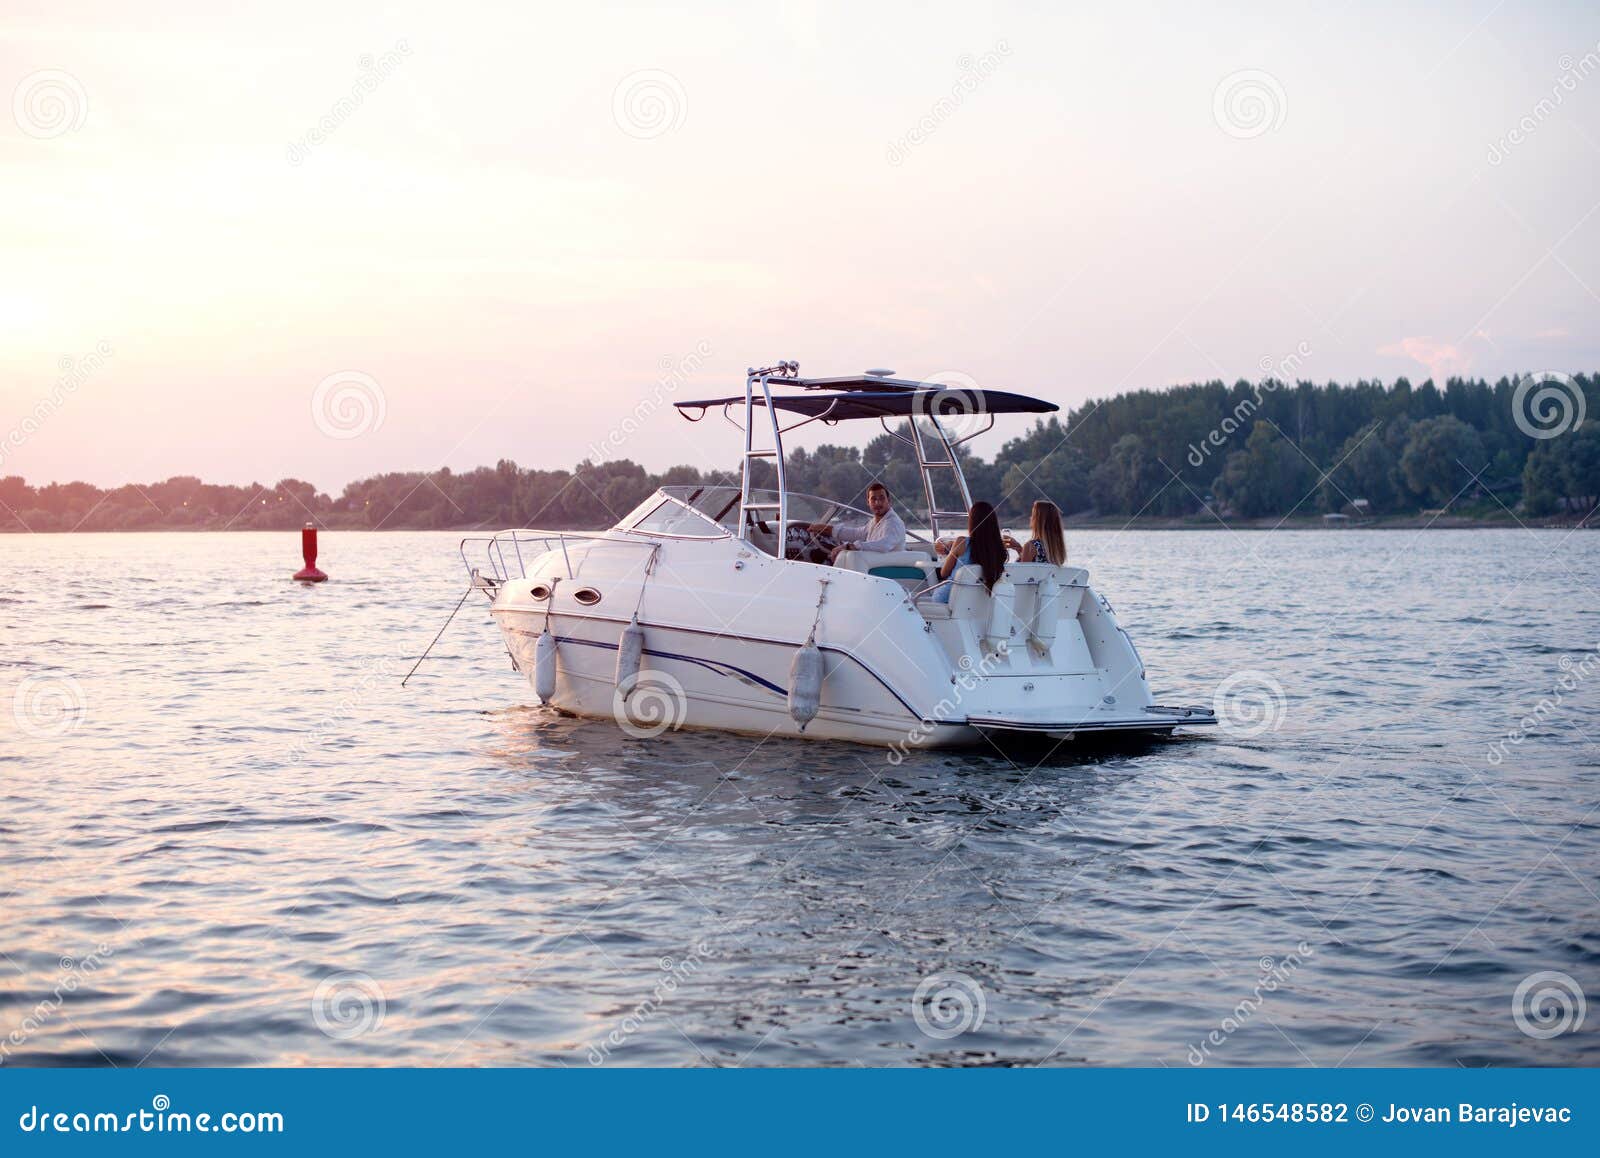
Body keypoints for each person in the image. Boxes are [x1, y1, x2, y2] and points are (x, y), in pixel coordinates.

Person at [804, 482, 906, 564]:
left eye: (882, 498)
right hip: (875, 568)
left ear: (889, 500)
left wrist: (849, 546)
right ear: (868, 502)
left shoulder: (893, 522)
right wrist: (828, 529)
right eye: (873, 499)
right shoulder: (874, 522)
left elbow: (884, 545)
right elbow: (856, 533)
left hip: (887, 573)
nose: (878, 503)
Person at [928, 501, 1007, 603]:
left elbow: (944, 573)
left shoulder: (961, 542)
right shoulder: (999, 549)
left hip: (947, 598)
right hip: (977, 603)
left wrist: (951, 551)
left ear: (972, 522)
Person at [1002, 500, 1067, 565]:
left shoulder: (1031, 546)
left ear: (1038, 520)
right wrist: (1019, 548)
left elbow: (1023, 573)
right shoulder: (1059, 549)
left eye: (1033, 515)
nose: (1030, 518)